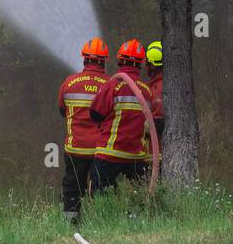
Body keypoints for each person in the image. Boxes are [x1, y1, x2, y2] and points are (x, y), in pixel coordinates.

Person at [88, 38, 154, 194]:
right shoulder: (146, 90)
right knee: (139, 197)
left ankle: (105, 217)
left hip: (110, 152)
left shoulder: (113, 85)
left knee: (100, 194)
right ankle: (136, 217)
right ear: (141, 63)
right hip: (136, 155)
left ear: (119, 60)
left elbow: (95, 114)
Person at [57, 38, 110, 224]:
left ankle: (70, 224)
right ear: (104, 61)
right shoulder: (112, 84)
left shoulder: (69, 82)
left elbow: (63, 111)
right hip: (102, 151)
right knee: (102, 187)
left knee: (72, 186)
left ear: (84, 60)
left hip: (76, 148)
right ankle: (102, 221)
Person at [145, 40, 164, 144]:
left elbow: (160, 122)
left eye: (147, 63)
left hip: (158, 151)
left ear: (152, 65)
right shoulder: (155, 84)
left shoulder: (158, 88)